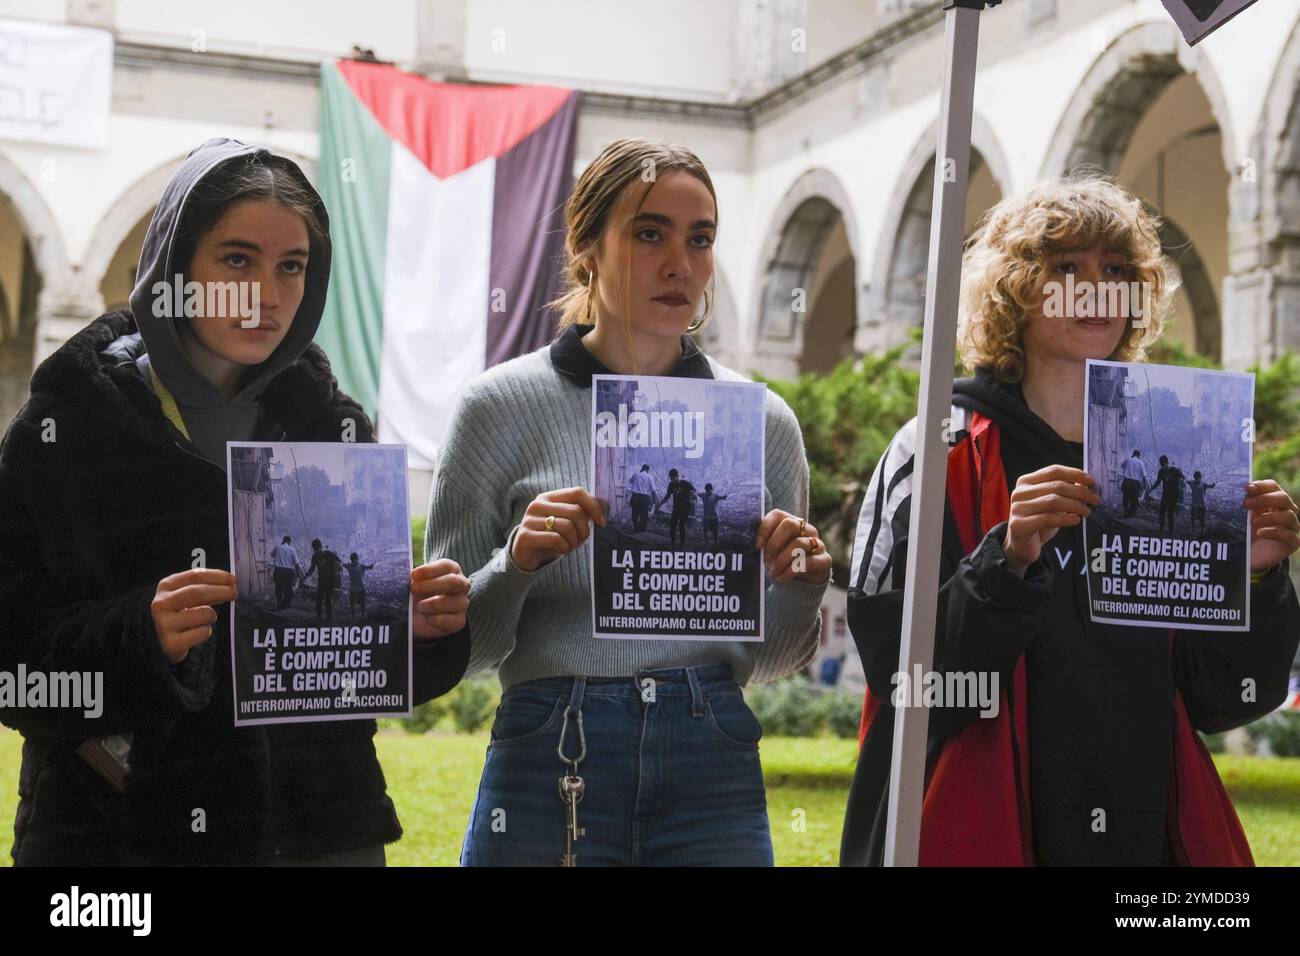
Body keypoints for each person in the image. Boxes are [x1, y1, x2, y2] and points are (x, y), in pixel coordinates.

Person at [0, 139, 472, 866]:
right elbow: (13, 665)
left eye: (291, 266)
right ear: (175, 266)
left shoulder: (335, 430)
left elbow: (352, 676)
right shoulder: (63, 431)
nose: (268, 294)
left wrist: (414, 629)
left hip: (321, 837)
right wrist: (138, 637)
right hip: (120, 846)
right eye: (237, 260)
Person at [840, 176, 1300, 866]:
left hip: (1144, 828)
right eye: (1066, 269)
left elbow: (1218, 698)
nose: (1097, 289)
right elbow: (901, 682)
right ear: (1015, 290)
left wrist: (1259, 582)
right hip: (980, 825)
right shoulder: (937, 446)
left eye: (1116, 270)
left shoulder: (1173, 446)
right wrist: (1008, 562)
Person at [425, 137, 832, 867]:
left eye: (700, 239)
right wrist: (514, 564)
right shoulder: (497, 406)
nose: (681, 264)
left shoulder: (762, 421)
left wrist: (802, 589)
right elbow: (459, 651)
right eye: (650, 233)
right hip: (550, 747)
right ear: (586, 246)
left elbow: (770, 660)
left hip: (713, 749)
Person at [305, 538, 344, 624]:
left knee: (326, 600)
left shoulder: (328, 553)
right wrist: (306, 576)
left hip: (330, 580)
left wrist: (337, 568)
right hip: (323, 580)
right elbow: (312, 568)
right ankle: (320, 618)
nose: (315, 551)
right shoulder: (316, 556)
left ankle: (327, 619)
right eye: (314, 549)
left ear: (318, 547)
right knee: (319, 599)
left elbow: (338, 561)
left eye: (315, 549)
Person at [661, 468, 699, 546]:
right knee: (673, 524)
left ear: (677, 476)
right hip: (676, 507)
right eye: (671, 478)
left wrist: (693, 494)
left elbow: (694, 490)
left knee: (681, 526)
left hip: (685, 508)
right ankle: (672, 542)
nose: (672, 480)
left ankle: (682, 544)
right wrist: (661, 503)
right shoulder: (671, 485)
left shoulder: (685, 483)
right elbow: (668, 496)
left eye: (673, 478)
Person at [269, 535, 305, 609]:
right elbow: (297, 563)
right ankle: (285, 606)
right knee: (288, 590)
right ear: (289, 542)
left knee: (278, 589)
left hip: (278, 571)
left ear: (283, 540)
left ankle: (279, 604)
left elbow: (272, 555)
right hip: (288, 572)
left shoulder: (277, 547)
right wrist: (297, 575)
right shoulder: (292, 549)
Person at [1155, 454, 1188, 533]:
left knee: (1170, 512)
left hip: (1174, 495)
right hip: (1165, 495)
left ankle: (1170, 530)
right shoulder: (1161, 471)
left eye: (1164, 465)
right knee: (1162, 511)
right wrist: (1150, 490)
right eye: (1161, 465)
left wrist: (1183, 484)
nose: (1163, 466)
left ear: (1167, 463)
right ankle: (1161, 529)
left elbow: (1184, 478)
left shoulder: (1174, 470)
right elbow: (1158, 482)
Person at [628, 463, 657, 533]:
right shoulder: (650, 477)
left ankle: (635, 527)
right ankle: (641, 530)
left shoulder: (636, 474)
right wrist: (654, 501)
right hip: (645, 498)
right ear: (647, 470)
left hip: (635, 496)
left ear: (642, 468)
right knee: (643, 514)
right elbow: (653, 491)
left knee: (635, 513)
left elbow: (630, 481)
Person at [1120, 448, 1148, 518]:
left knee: (1126, 499)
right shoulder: (1141, 463)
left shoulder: (1128, 459)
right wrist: (1144, 487)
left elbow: (1122, 466)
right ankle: (1131, 516)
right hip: (1135, 483)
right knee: (1134, 501)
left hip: (1126, 482)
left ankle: (1125, 514)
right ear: (1139, 456)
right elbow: (1144, 476)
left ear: (1133, 454)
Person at [347, 552, 376, 618]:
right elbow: (342, 564)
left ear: (357, 559)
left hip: (360, 588)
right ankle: (355, 617)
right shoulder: (350, 565)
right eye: (352, 560)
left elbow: (369, 567)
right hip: (356, 589)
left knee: (361, 604)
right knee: (354, 604)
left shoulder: (360, 566)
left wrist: (371, 566)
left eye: (353, 560)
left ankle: (362, 617)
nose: (353, 561)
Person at [701, 483, 728, 547]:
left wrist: (724, 497)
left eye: (709, 490)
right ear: (706, 490)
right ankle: (707, 544)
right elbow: (697, 493)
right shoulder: (703, 495)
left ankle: (715, 543)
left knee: (715, 531)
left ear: (711, 490)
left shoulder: (715, 496)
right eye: (707, 490)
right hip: (706, 517)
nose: (708, 491)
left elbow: (721, 497)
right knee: (705, 531)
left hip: (714, 517)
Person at [1189, 470, 1217, 535]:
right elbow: (1185, 480)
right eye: (1195, 478)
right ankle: (1194, 531)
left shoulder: (1203, 484)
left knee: (1202, 519)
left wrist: (1213, 484)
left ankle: (1201, 531)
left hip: (1202, 505)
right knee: (1193, 518)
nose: (1196, 479)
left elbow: (1211, 486)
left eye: (1197, 478)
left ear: (1200, 477)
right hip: (1194, 505)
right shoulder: (1192, 482)